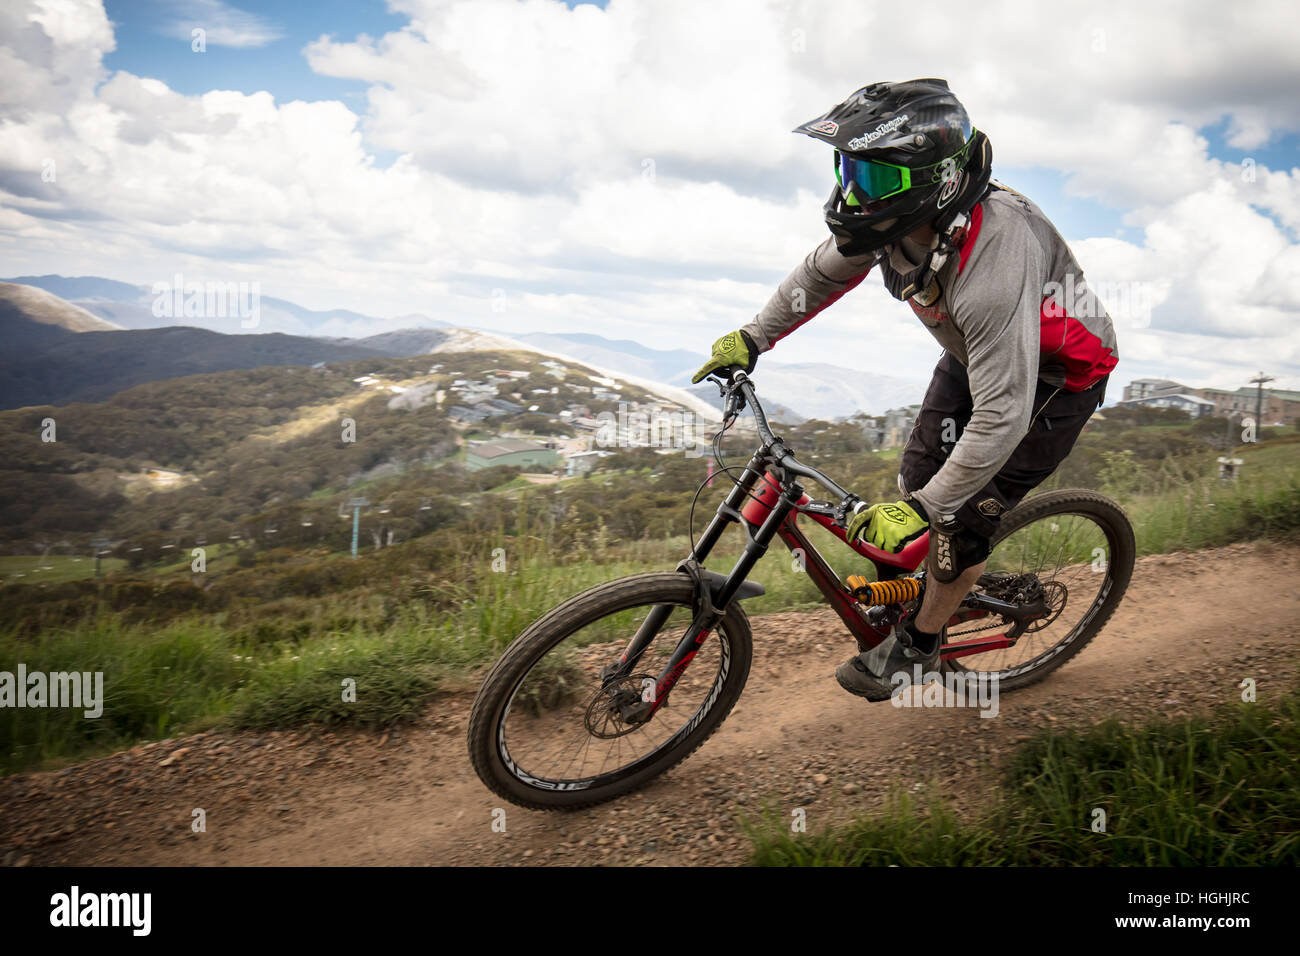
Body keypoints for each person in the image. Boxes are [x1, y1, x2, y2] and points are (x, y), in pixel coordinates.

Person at [692, 78, 1118, 701]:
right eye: (849, 171)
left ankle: (920, 646)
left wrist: (928, 512)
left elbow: (1003, 416)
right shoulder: (900, 225)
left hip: (1056, 379)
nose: (852, 193)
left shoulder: (998, 257)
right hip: (976, 358)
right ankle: (921, 592)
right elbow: (819, 275)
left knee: (957, 514)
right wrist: (754, 337)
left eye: (874, 179)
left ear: (936, 180)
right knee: (915, 481)